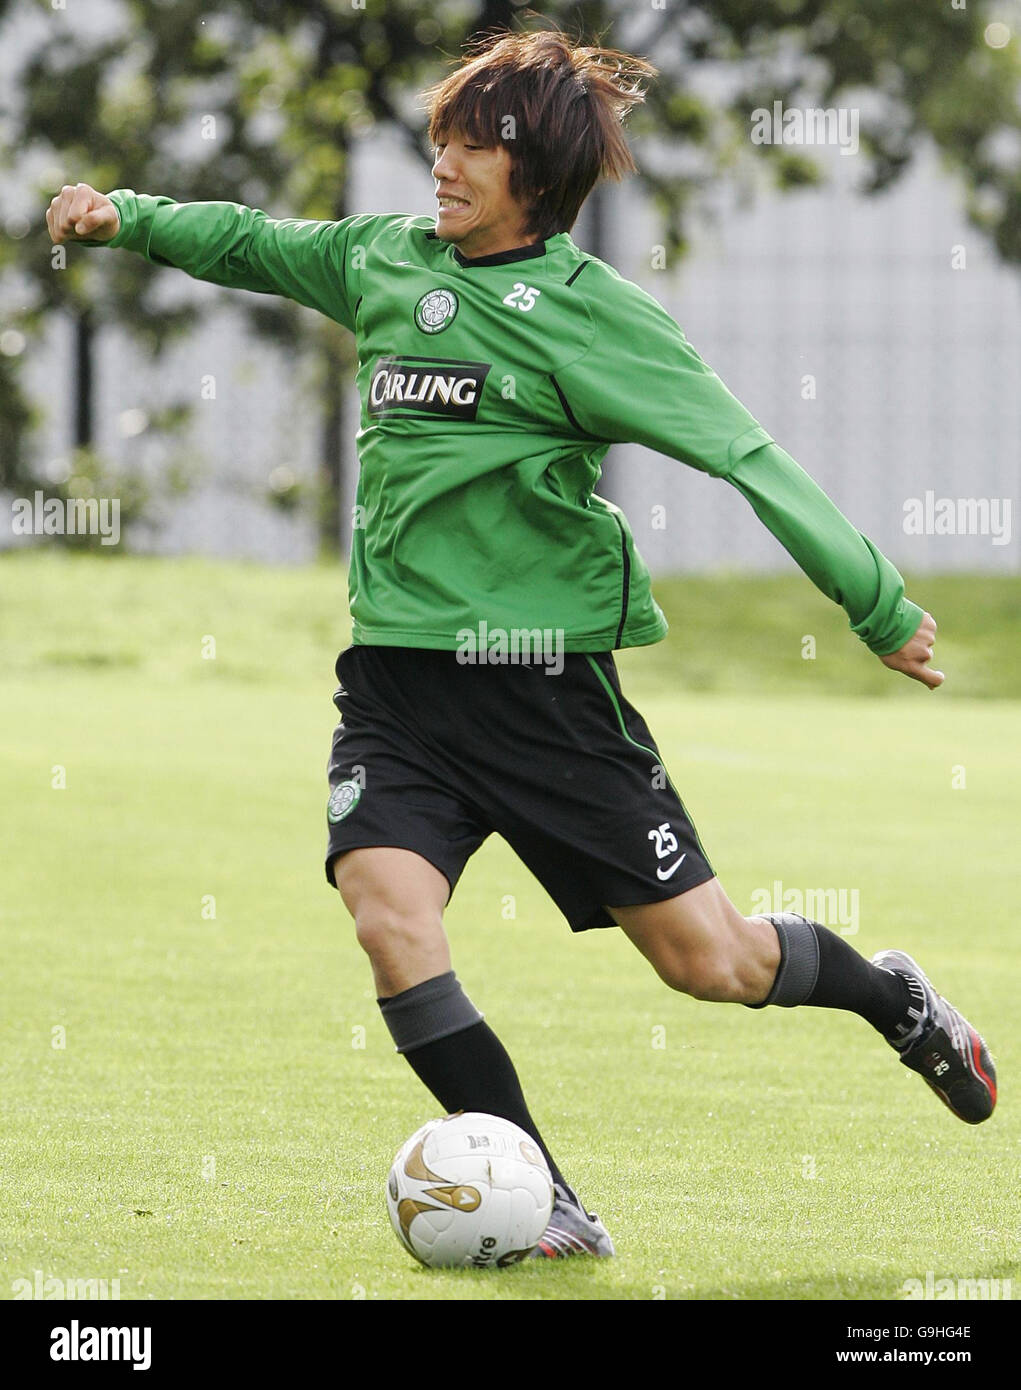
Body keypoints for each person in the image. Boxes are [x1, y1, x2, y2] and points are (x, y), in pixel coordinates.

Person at [49, 27, 995, 1260]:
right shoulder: (384, 264)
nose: (442, 164)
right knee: (388, 916)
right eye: (440, 138)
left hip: (543, 694)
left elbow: (743, 455)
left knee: (708, 962)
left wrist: (873, 603)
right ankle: (545, 1197)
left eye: (475, 147)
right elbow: (253, 243)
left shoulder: (597, 321)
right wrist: (126, 215)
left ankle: (890, 996)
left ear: (536, 176)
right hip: (397, 686)